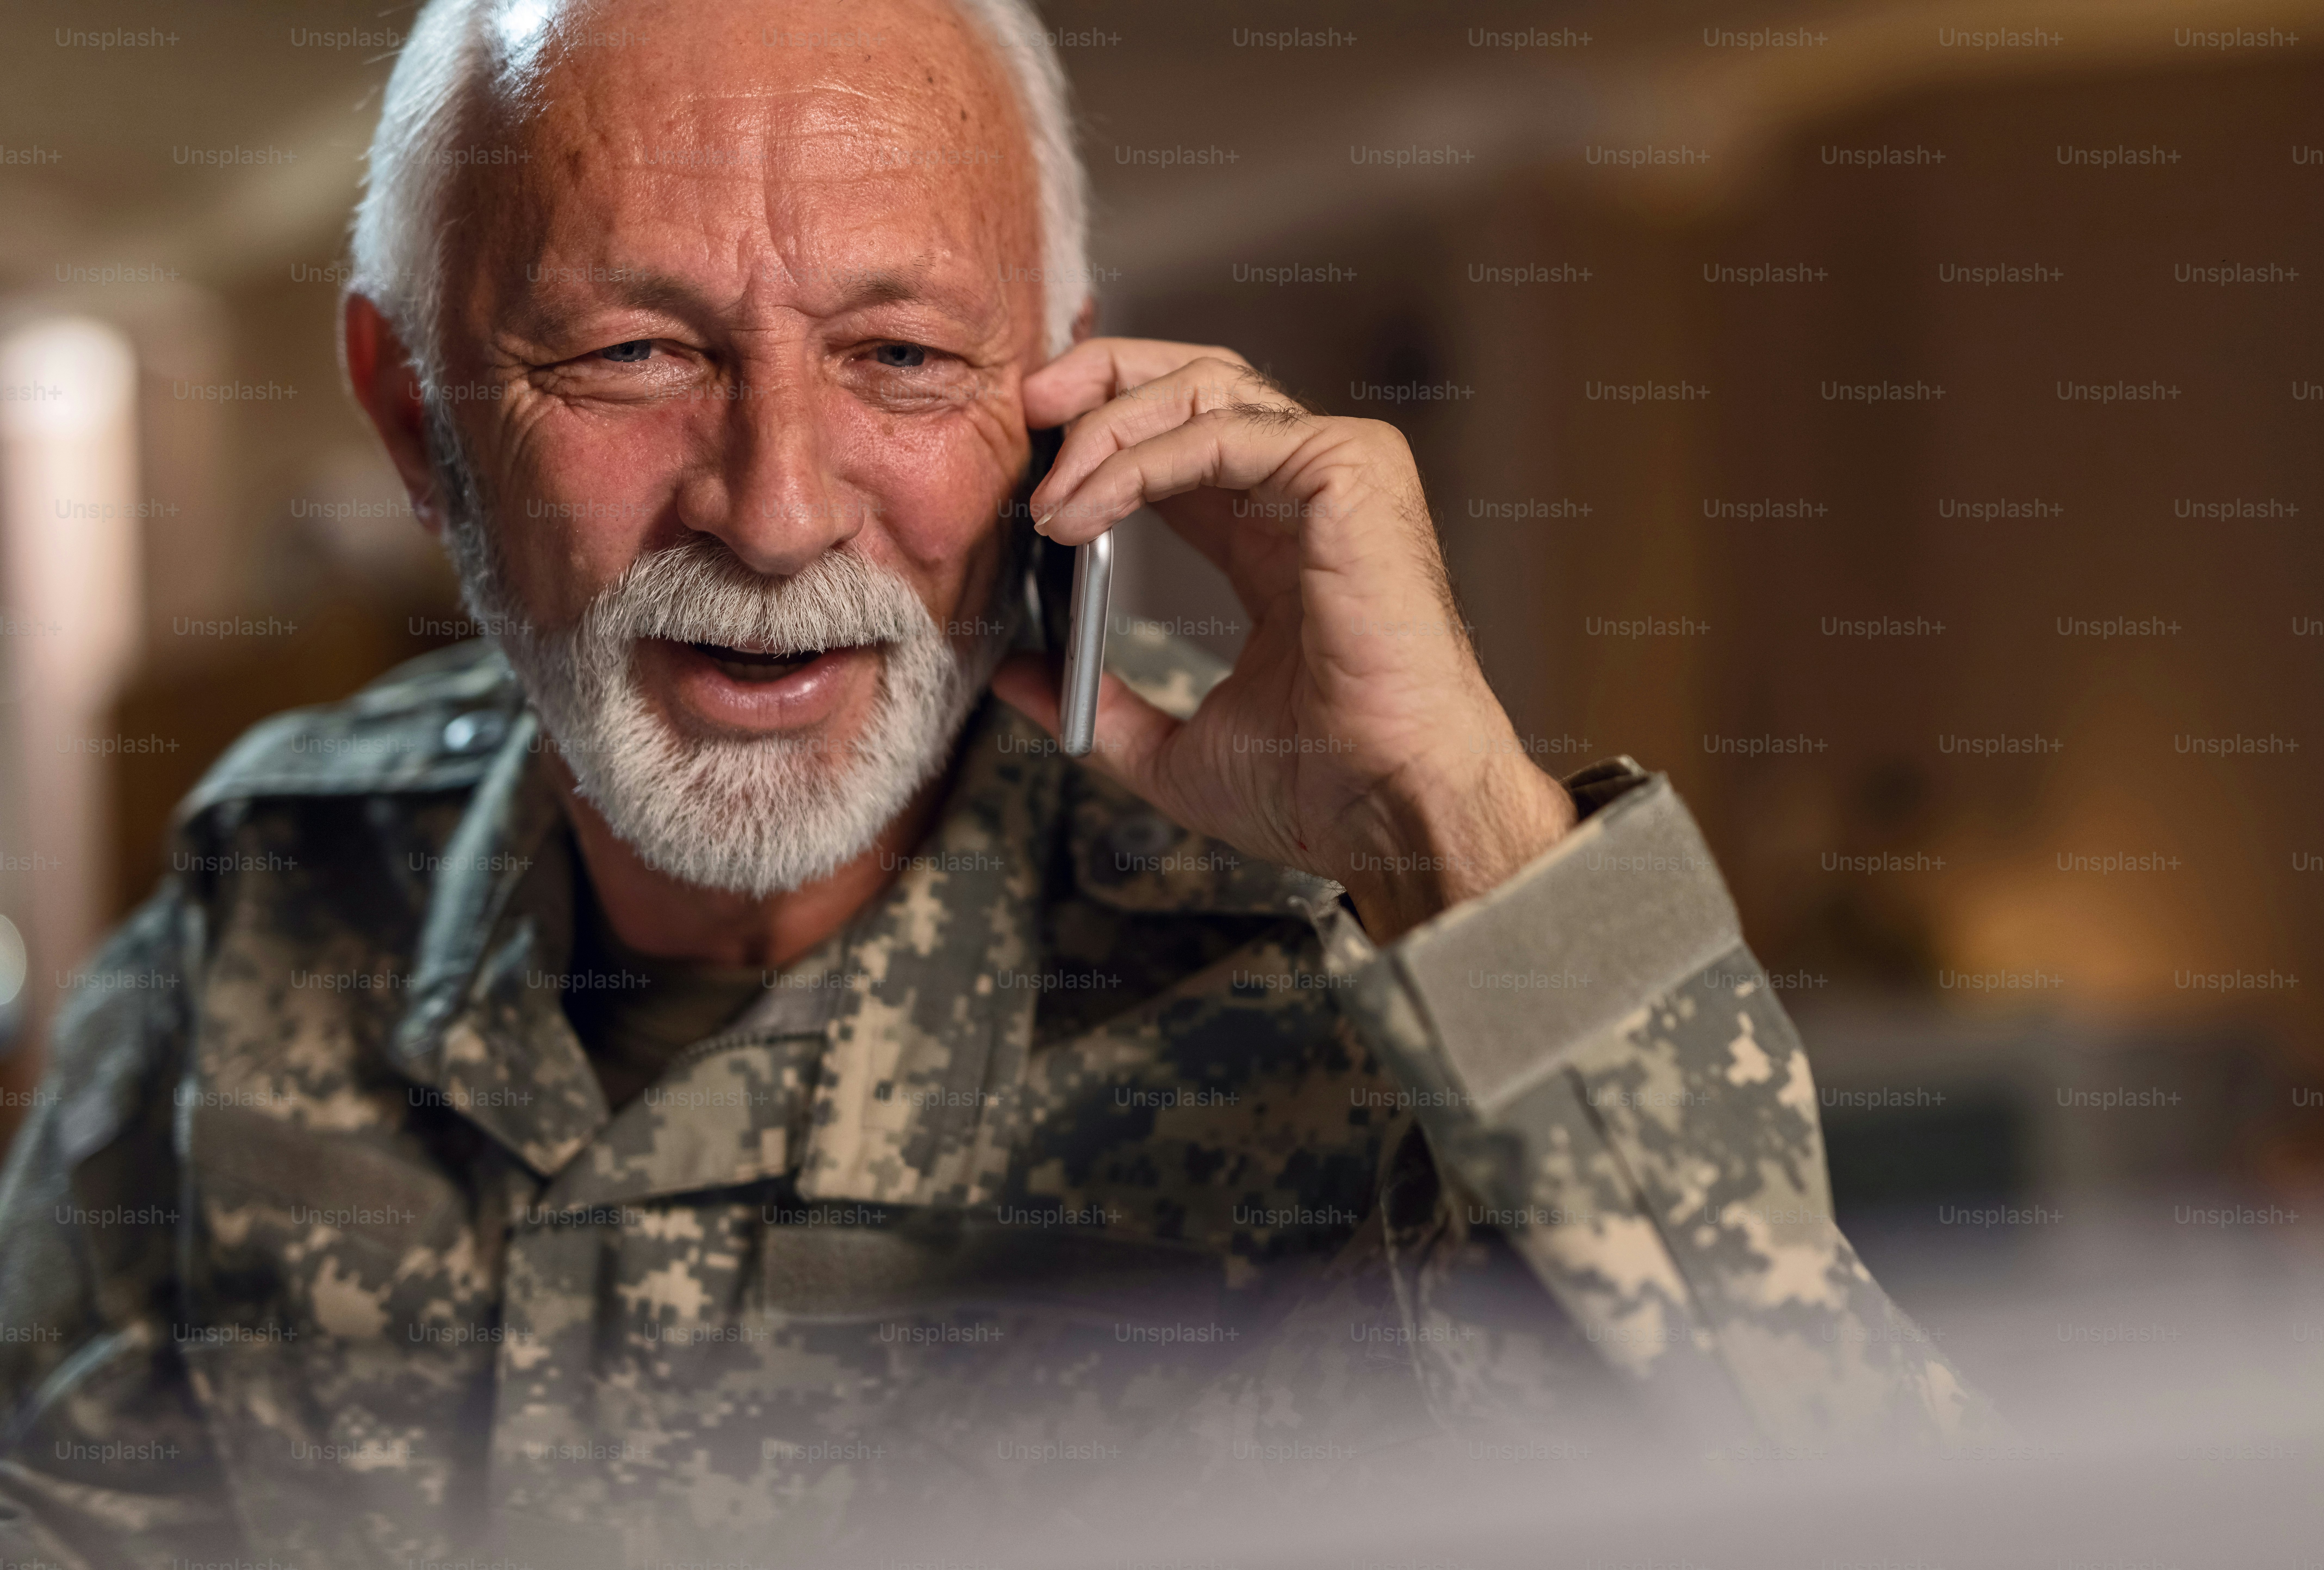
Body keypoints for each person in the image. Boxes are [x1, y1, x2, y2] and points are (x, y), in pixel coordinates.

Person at [0, 0, 1990, 1563]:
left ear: (1061, 399)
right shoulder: (279, 878)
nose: (776, 512)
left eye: (898, 356)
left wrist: (1450, 831)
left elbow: (1892, 1530)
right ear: (415, 417)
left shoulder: (1364, 957)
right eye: (631, 352)